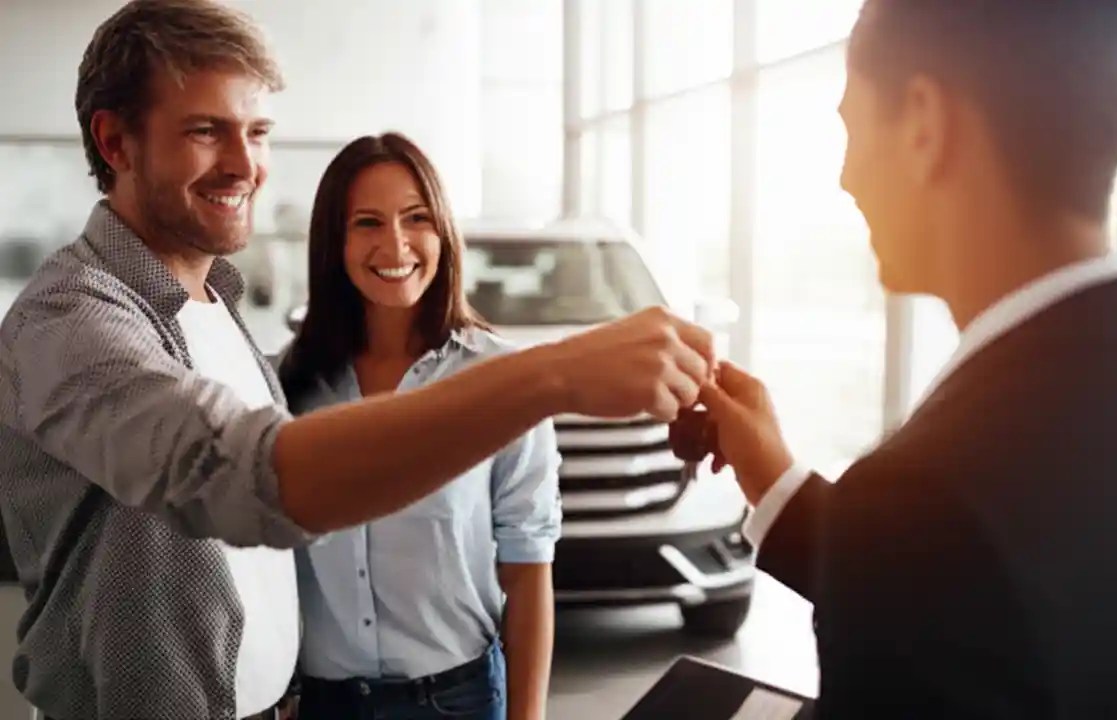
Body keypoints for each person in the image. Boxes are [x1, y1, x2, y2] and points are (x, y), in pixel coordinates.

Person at [0, 2, 712, 718]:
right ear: (116, 143)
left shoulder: (221, 306)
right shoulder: (70, 318)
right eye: (205, 131)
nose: (246, 166)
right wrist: (551, 375)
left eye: (257, 133)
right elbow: (232, 471)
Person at [685, 1, 1117, 717]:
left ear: (924, 125)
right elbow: (1033, 607)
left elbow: (951, 570)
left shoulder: (921, 497)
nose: (846, 177)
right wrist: (778, 485)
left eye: (851, 126)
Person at [277, 133, 559, 720]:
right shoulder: (289, 382)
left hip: (456, 701)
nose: (396, 244)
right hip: (324, 705)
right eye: (368, 223)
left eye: (416, 218)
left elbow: (529, 571)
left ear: (442, 232)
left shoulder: (502, 381)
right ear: (335, 241)